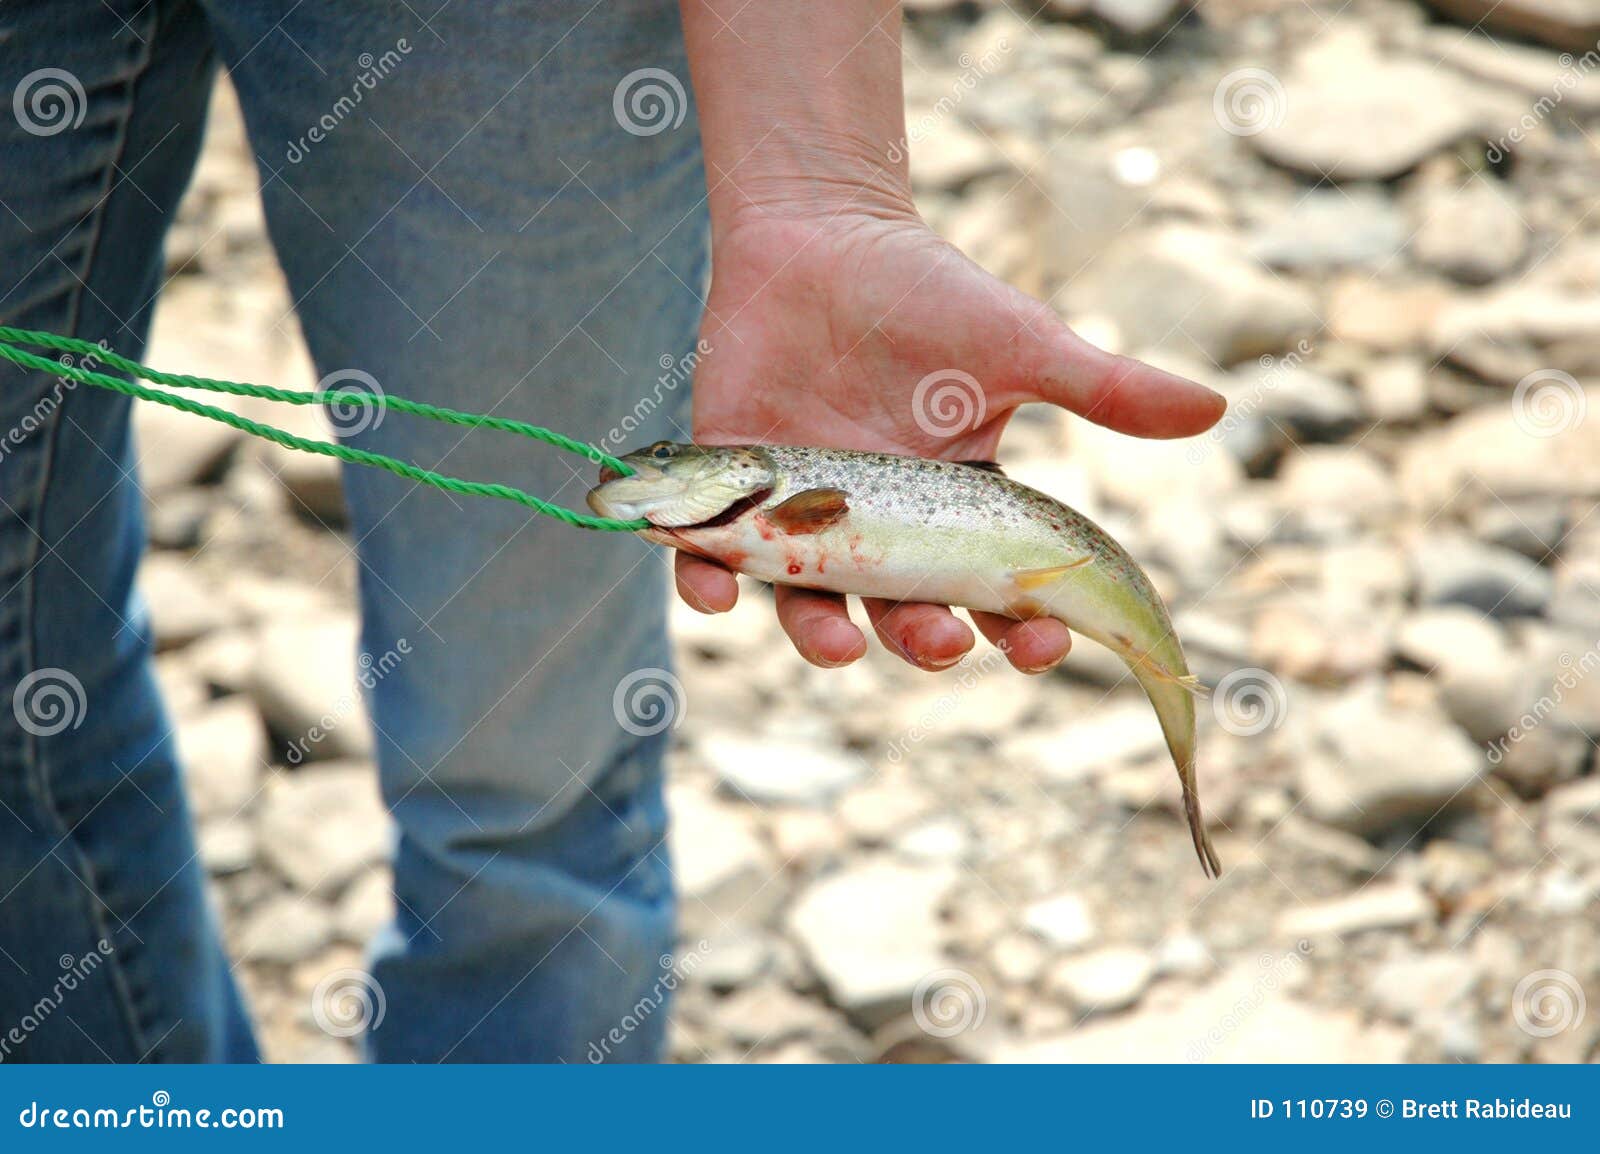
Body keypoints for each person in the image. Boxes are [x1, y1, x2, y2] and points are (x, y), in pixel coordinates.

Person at [0, 1, 1223, 1062]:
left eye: (670, 467)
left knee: (518, 775)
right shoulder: (749, 504)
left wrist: (820, 191)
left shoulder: (759, 494)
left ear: (725, 477)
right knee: (20, 701)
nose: (648, 474)